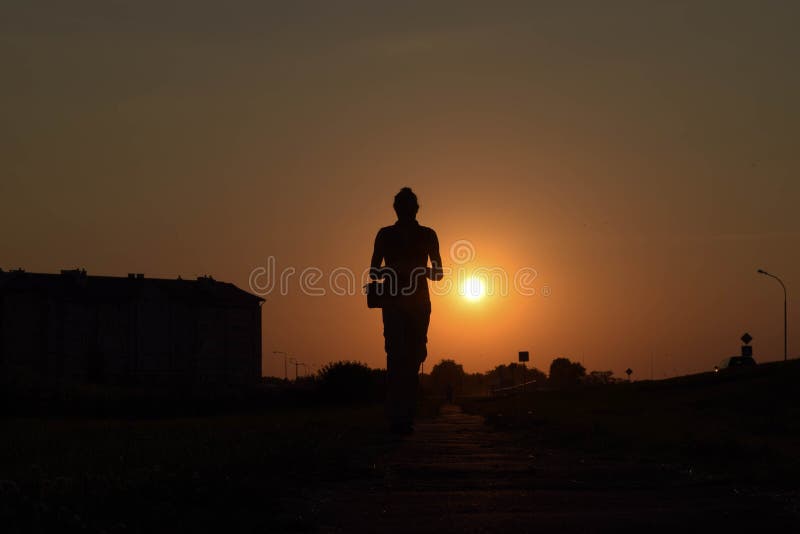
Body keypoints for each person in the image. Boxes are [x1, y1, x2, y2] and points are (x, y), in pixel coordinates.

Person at [370, 187, 442, 434]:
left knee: (412, 356)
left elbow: (439, 273)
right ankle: (398, 415)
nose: (406, 211)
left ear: (415, 209)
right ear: (397, 209)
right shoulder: (385, 235)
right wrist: (397, 270)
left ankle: (405, 412)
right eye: (403, 207)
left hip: (418, 304)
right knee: (396, 355)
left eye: (408, 207)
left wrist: (416, 271)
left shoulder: (428, 235)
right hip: (394, 303)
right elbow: (373, 271)